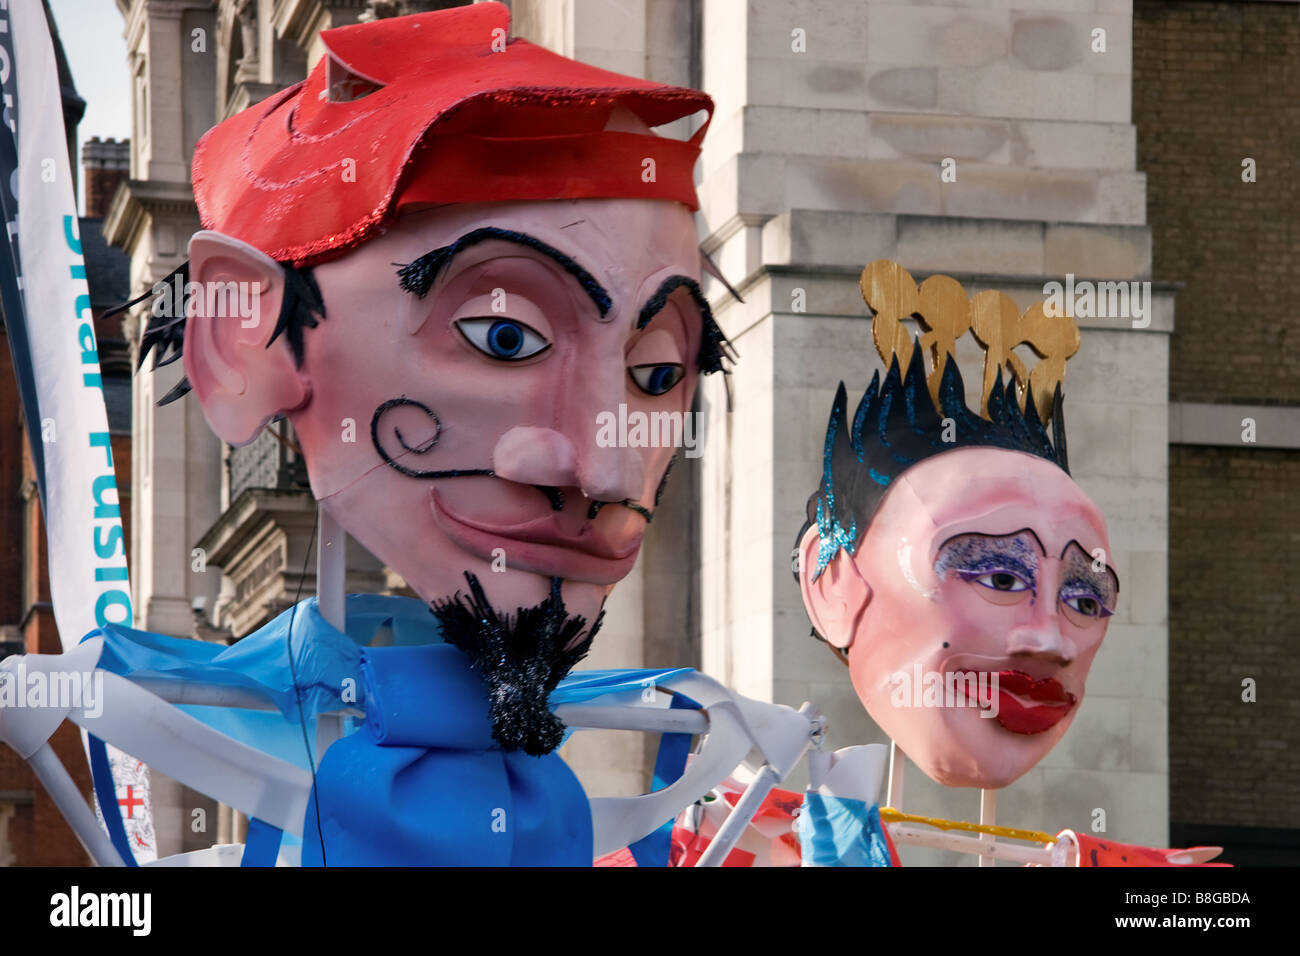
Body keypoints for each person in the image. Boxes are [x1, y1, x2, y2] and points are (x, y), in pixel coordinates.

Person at [97, 1, 733, 866]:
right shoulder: (76, 713)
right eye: (503, 337)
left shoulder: (717, 738)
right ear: (241, 337)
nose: (608, 465)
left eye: (658, 372)